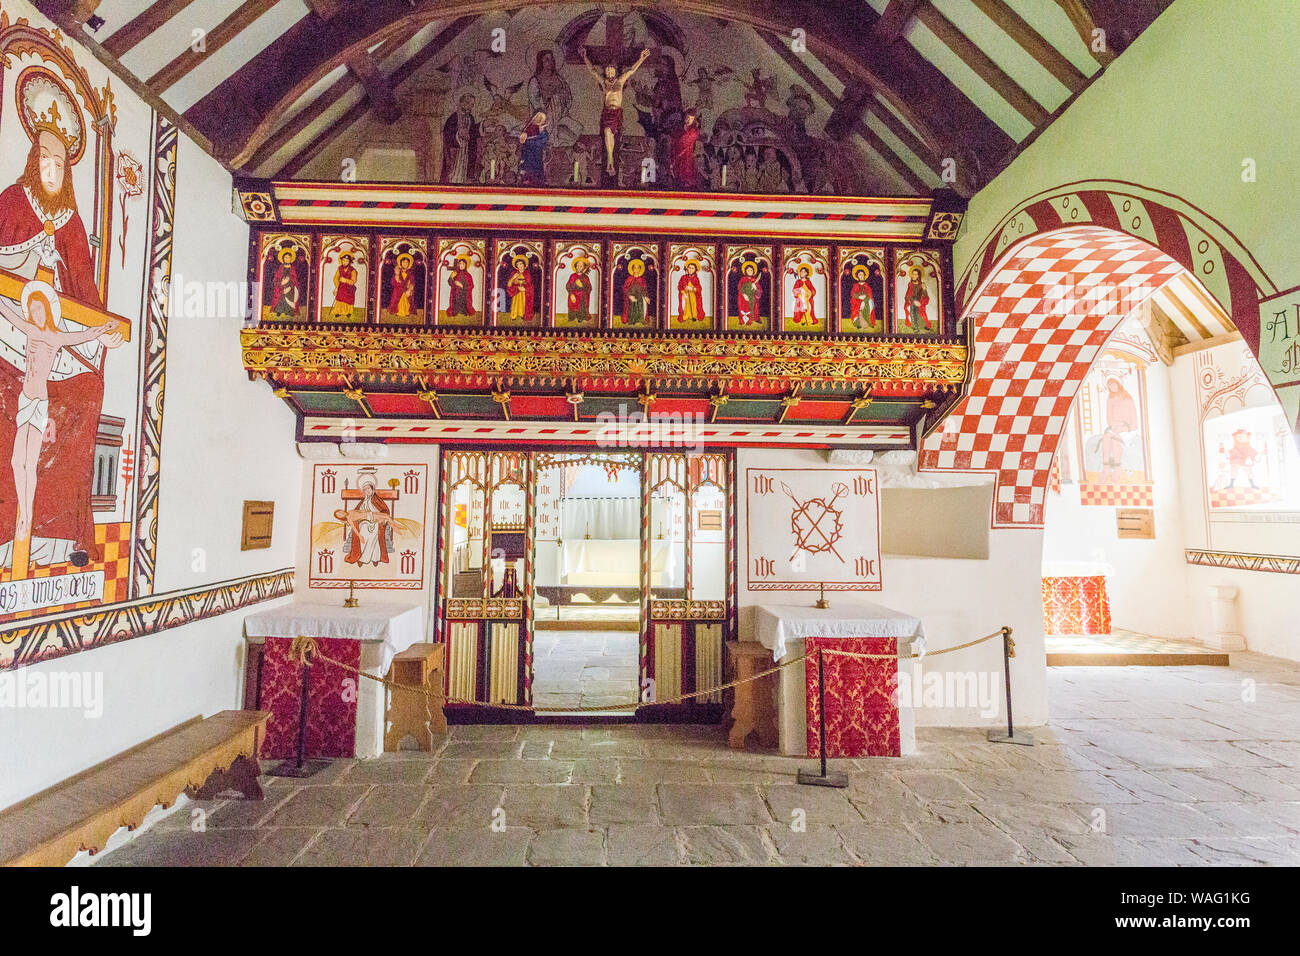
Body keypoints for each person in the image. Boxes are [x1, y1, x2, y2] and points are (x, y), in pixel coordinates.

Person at [0, 86, 125, 570]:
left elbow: (87, 301)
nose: (52, 165)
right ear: (34, 158)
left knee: (90, 387)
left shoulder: (71, 224)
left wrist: (104, 331)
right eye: (45, 156)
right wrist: (30, 258)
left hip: (49, 337)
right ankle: (11, 533)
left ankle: (57, 536)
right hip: (8, 333)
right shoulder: (11, 201)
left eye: (60, 160)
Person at [9, 282, 118, 575]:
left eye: (39, 308)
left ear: (47, 311)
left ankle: (26, 517)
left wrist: (105, 327)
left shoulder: (55, 337)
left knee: (29, 461)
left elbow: (83, 334)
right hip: (25, 399)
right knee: (14, 461)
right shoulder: (31, 330)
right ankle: (25, 511)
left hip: (39, 402)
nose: (34, 312)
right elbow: (9, 314)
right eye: (31, 309)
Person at [583, 47, 651, 178]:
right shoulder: (604, 83)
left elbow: (631, 71)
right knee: (608, 133)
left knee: (611, 134)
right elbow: (592, 71)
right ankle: (610, 161)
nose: (609, 70)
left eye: (611, 68)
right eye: (607, 69)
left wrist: (642, 58)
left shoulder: (620, 81)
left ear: (615, 70)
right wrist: (584, 57)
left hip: (616, 113)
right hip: (607, 113)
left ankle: (610, 161)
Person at [440, 93, 480, 184]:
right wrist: (458, 135)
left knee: (464, 170)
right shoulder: (454, 117)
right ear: (461, 103)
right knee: (453, 173)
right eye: (468, 103)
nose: (470, 106)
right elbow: (447, 134)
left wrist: (482, 126)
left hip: (466, 151)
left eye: (472, 104)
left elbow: (472, 133)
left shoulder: (470, 118)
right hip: (456, 151)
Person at [671, 109, 701, 189]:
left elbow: (684, 142)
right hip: (677, 155)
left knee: (687, 172)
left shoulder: (694, 130)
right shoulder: (680, 129)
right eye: (687, 118)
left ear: (694, 120)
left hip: (687, 155)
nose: (688, 120)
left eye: (691, 118)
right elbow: (674, 140)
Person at [518, 111, 549, 185]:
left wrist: (532, 140)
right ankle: (526, 179)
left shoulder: (542, 129)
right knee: (527, 167)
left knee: (536, 167)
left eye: (541, 118)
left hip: (536, 152)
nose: (539, 120)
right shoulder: (528, 128)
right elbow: (522, 139)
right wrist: (523, 139)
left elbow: (544, 140)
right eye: (538, 117)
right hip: (527, 152)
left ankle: (537, 180)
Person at [902, 265, 932, 331]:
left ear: (918, 276)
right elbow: (907, 295)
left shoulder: (922, 284)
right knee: (912, 313)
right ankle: (916, 328)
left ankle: (926, 325)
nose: (913, 275)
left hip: (920, 302)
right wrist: (913, 301)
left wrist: (924, 289)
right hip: (912, 301)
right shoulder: (910, 284)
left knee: (922, 314)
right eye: (913, 274)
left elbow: (925, 295)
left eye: (915, 274)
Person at [506, 256, 535, 322]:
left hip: (524, 292)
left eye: (521, 264)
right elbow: (509, 284)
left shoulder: (527, 274)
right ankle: (514, 316)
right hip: (516, 292)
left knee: (523, 303)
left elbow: (530, 285)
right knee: (515, 304)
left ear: (524, 265)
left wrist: (525, 289)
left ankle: (522, 315)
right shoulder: (514, 273)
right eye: (518, 264)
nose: (519, 266)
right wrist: (513, 278)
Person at [330, 252, 357, 320]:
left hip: (349, 288)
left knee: (348, 300)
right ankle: (338, 312)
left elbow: (353, 281)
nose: (344, 262)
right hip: (341, 287)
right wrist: (337, 286)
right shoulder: (339, 268)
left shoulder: (353, 270)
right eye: (343, 261)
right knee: (340, 298)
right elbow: (335, 278)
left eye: (346, 261)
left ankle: (348, 312)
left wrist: (345, 280)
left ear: (349, 262)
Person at [388, 253, 416, 318]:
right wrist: (397, 275)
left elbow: (412, 282)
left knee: (407, 300)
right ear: (400, 263)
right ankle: (399, 312)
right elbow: (393, 282)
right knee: (399, 300)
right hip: (398, 290)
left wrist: (410, 288)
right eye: (403, 262)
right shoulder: (398, 272)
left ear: (409, 264)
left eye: (406, 262)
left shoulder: (410, 274)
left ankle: (407, 312)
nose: (405, 264)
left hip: (407, 291)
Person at [622, 259, 649, 325]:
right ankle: (631, 320)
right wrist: (629, 296)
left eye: (638, 268)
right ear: (632, 269)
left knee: (640, 307)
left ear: (640, 269)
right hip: (631, 297)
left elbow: (644, 289)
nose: (636, 270)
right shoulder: (629, 279)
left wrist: (645, 296)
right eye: (635, 268)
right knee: (632, 308)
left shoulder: (641, 279)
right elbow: (625, 288)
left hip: (640, 296)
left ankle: (641, 319)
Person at [566, 257, 593, 323]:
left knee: (581, 307)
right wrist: (572, 292)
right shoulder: (573, 276)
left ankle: (580, 317)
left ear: (584, 267)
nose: (578, 267)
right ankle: (572, 317)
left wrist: (582, 285)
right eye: (577, 265)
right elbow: (568, 285)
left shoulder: (585, 277)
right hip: (573, 294)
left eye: (581, 266)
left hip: (582, 296)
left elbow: (589, 288)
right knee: (572, 306)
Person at [737, 261, 762, 326]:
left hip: (752, 298)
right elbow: (739, 288)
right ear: (745, 271)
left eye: (751, 270)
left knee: (752, 308)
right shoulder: (743, 279)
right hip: (743, 298)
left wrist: (755, 288)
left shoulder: (755, 280)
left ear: (753, 271)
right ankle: (742, 320)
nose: (749, 271)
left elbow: (759, 291)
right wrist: (744, 295)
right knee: (744, 309)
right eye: (748, 270)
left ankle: (753, 319)